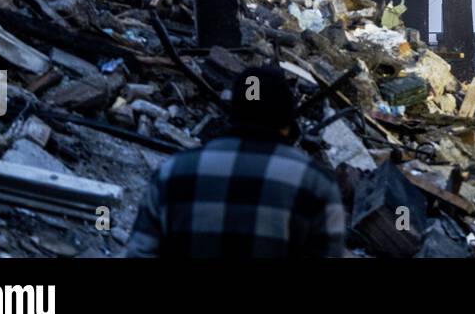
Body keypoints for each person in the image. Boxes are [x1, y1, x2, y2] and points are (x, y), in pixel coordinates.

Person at [128, 66, 346, 258]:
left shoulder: (173, 172)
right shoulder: (317, 186)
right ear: (287, 122)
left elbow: (140, 251)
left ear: (233, 113)